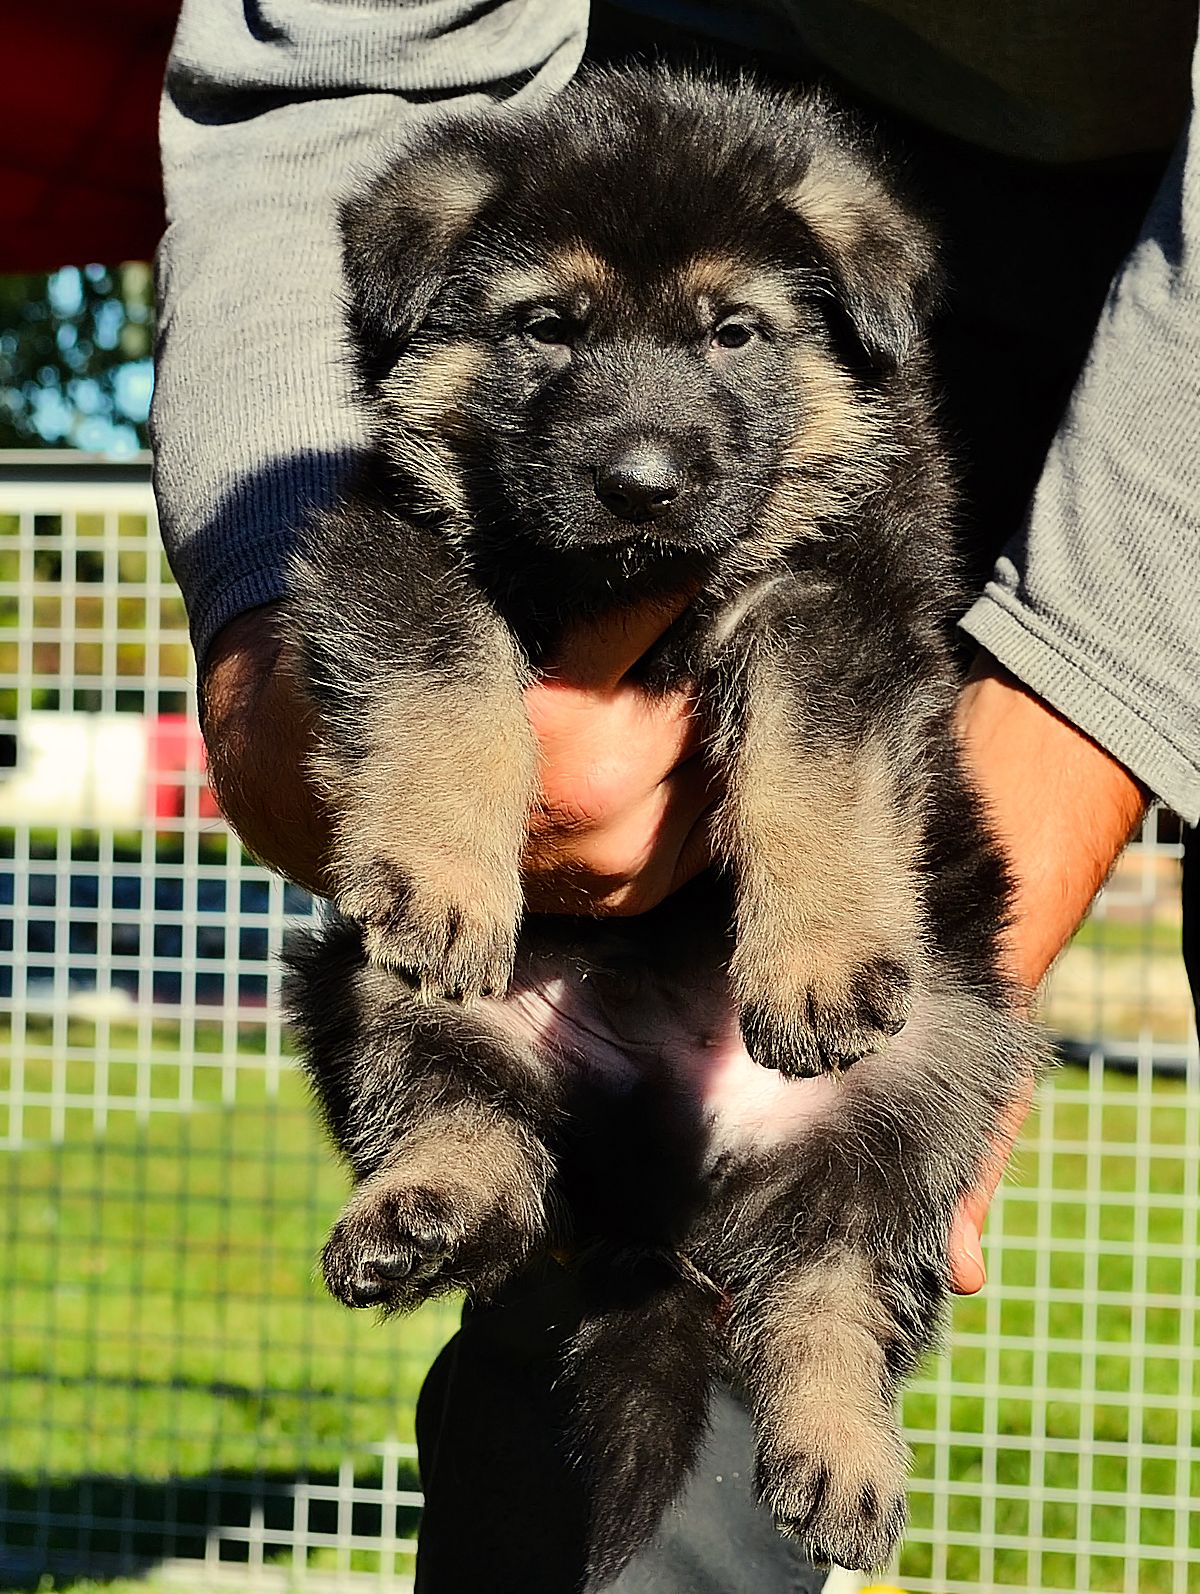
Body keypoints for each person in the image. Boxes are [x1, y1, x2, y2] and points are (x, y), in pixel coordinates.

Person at [152, 3, 1200, 1588]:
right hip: (699, 48)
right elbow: (342, 88)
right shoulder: (485, 215)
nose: (645, 450)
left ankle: (831, 1331)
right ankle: (472, 1160)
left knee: (927, 1033)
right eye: (553, 331)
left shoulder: (839, 352)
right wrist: (305, 698)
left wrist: (1055, 759)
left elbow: (852, 704)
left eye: (727, 336)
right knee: (431, 1031)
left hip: (1136, 256)